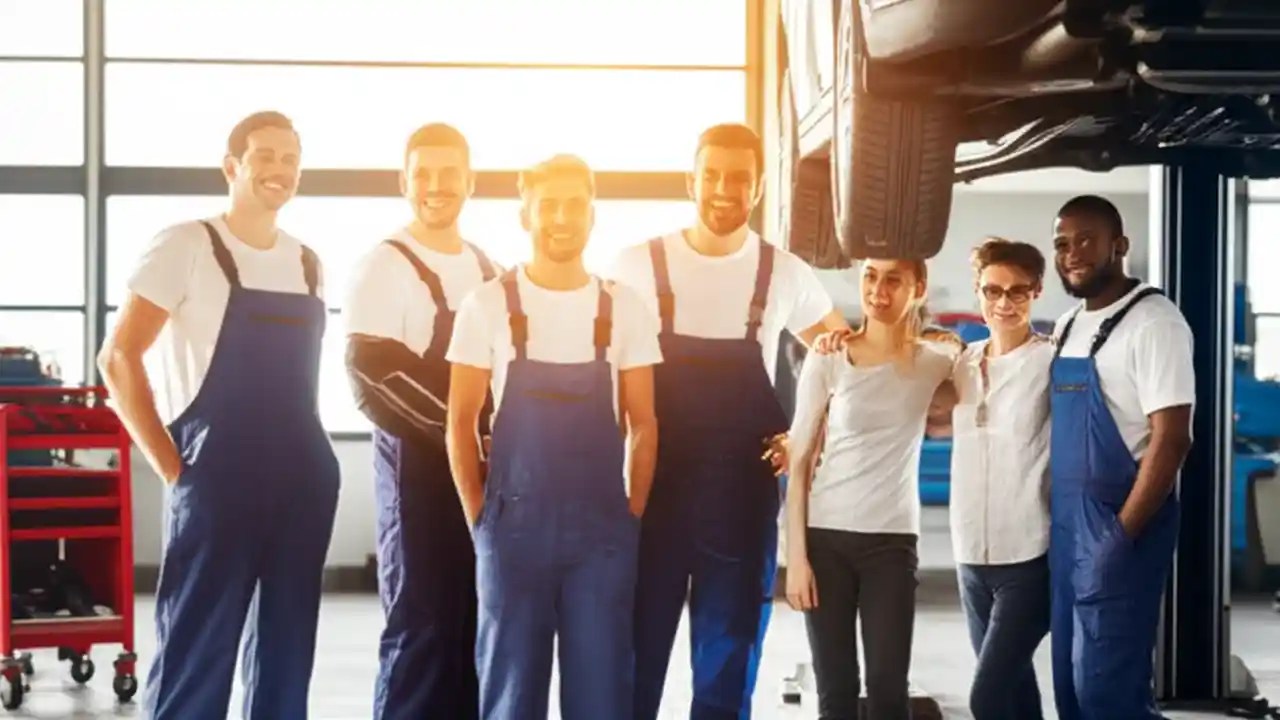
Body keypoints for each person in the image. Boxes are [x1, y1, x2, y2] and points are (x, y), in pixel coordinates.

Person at [98, 111, 339, 720]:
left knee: (287, 654)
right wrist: (172, 468)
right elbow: (118, 356)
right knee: (196, 649)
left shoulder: (308, 262)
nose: (279, 170)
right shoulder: (186, 244)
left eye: (290, 158)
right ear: (233, 167)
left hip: (302, 481)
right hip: (215, 479)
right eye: (265, 156)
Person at [607, 122, 847, 720]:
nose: (723, 189)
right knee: (631, 653)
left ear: (758, 187)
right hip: (648, 491)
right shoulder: (638, 266)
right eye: (711, 175)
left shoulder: (783, 272)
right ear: (691, 180)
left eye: (738, 177)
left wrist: (803, 437)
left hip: (740, 498)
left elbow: (845, 361)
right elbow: (602, 372)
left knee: (730, 654)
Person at [445, 153, 662, 720]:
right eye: (549, 206)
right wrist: (481, 522)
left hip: (602, 537)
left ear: (593, 216)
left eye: (574, 205)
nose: (561, 218)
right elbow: (460, 422)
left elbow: (644, 421)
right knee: (510, 697)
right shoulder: (488, 305)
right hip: (511, 534)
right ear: (526, 216)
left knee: (603, 696)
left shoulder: (623, 308)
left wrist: (629, 515)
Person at [344, 123, 499, 720]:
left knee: (476, 626)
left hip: (484, 479)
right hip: (420, 480)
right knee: (423, 629)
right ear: (404, 182)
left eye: (449, 174)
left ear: (470, 182)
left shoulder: (491, 268)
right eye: (423, 174)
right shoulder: (386, 265)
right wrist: (464, 438)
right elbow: (371, 377)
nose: (437, 187)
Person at [784, 258, 958, 720]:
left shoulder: (933, 361)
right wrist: (796, 561)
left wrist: (950, 339)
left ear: (917, 287)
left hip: (891, 544)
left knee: (886, 688)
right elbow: (799, 460)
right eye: (870, 276)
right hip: (825, 541)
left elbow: (978, 385)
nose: (879, 290)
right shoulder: (828, 355)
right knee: (836, 690)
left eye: (893, 280)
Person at [1048, 195, 1194, 720]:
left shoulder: (1154, 321)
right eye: (1062, 243)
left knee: (1110, 694)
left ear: (1120, 245)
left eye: (1086, 239)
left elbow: (1173, 438)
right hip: (1067, 529)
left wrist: (1121, 536)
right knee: (1070, 687)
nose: (1072, 253)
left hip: (1119, 526)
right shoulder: (1068, 325)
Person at [949, 238, 1054, 720]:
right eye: (992, 291)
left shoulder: (1052, 362)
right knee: (1015, 691)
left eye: (1017, 291)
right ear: (978, 293)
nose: (1004, 303)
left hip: (1029, 556)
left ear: (1037, 291)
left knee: (986, 698)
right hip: (969, 553)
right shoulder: (959, 363)